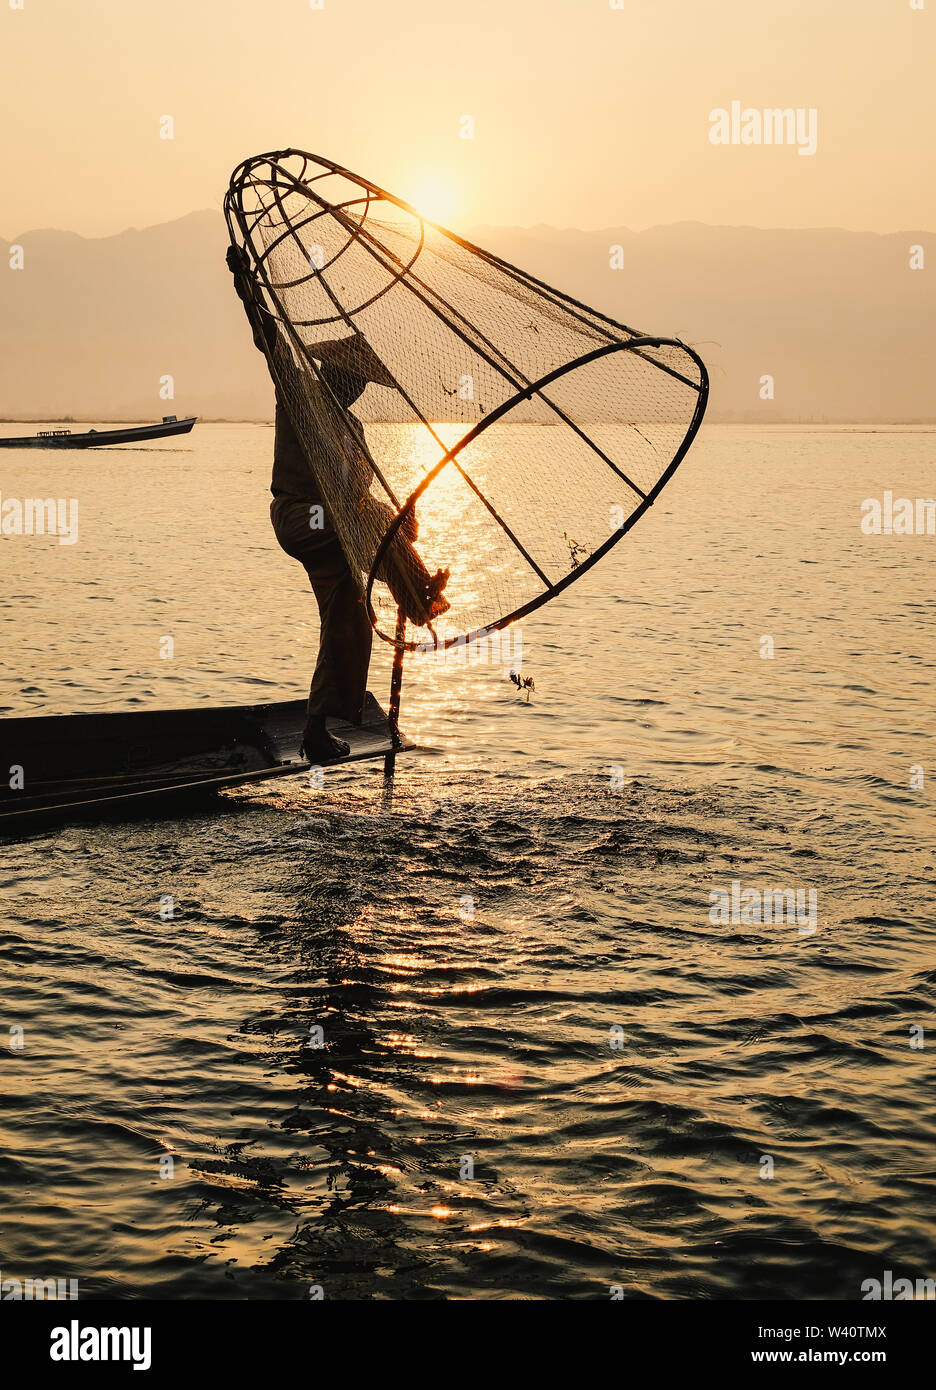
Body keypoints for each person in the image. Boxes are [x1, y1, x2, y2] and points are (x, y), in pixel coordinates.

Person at [226, 246, 449, 762]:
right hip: (302, 517)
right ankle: (419, 599)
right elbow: (271, 342)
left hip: (340, 529)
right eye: (351, 378)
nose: (355, 389)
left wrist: (403, 529)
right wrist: (247, 286)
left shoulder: (354, 429)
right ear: (333, 374)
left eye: (361, 382)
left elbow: (368, 509)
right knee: (373, 517)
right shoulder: (300, 395)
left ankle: (315, 729)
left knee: (349, 618)